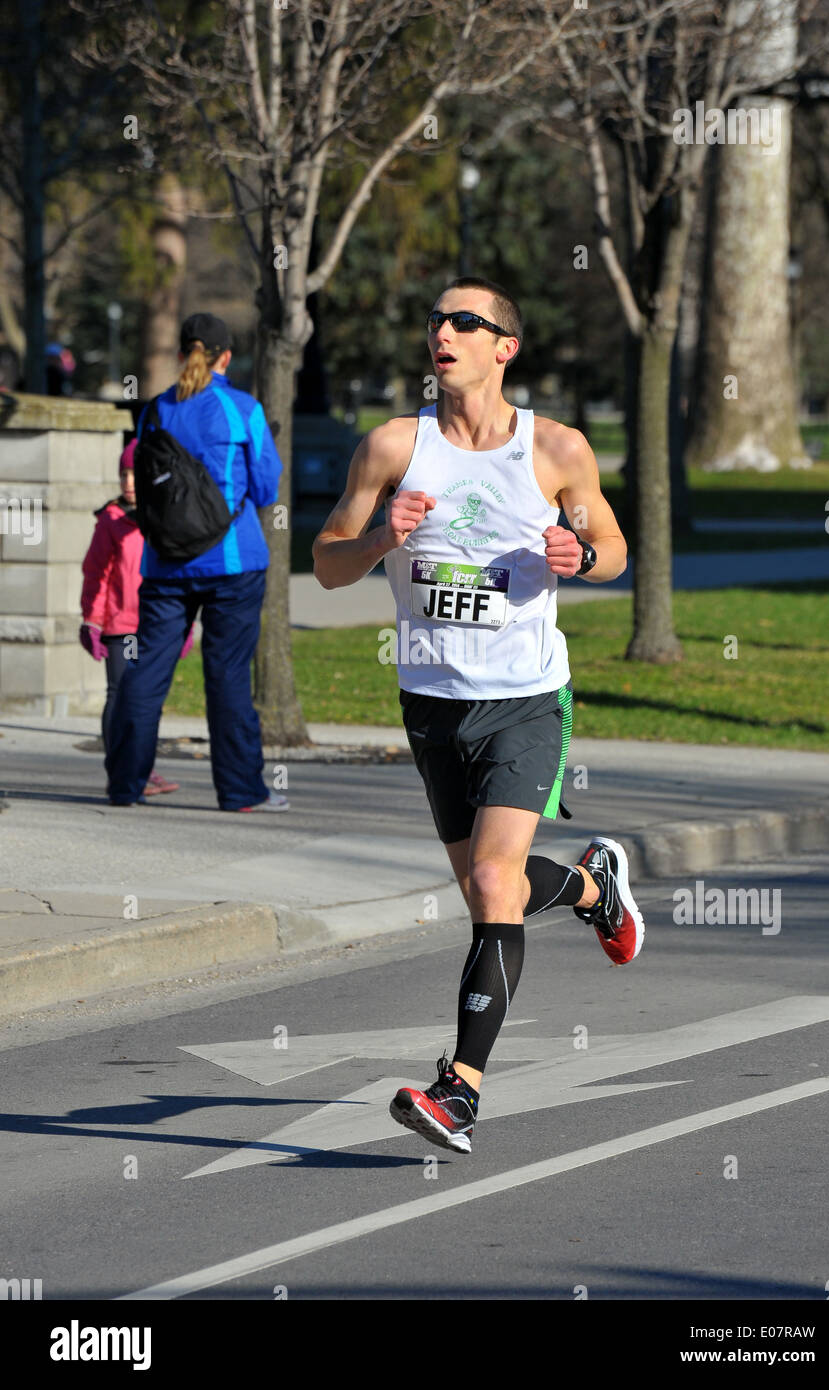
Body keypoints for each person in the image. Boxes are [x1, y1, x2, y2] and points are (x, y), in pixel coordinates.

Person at [313, 276, 645, 1155]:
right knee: (482, 889)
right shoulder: (391, 447)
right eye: (436, 319)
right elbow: (328, 566)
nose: (443, 332)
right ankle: (587, 886)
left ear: (505, 347)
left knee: (494, 886)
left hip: (525, 699)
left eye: (466, 321)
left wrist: (582, 554)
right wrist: (382, 536)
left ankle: (457, 1091)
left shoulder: (556, 450)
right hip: (430, 701)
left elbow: (612, 547)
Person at [105, 312, 287, 812]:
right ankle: (241, 793)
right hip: (233, 562)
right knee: (227, 676)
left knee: (144, 674)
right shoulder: (242, 408)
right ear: (225, 356)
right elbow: (266, 488)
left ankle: (125, 785)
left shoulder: (155, 411)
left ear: (184, 351)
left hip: (165, 564)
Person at [80, 438, 183, 797]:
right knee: (121, 695)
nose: (128, 482)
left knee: (146, 698)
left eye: (134, 474)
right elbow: (96, 575)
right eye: (123, 474)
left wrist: (182, 629)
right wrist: (91, 621)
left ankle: (143, 767)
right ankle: (120, 770)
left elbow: (178, 572)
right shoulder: (110, 520)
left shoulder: (166, 516)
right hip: (121, 629)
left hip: (155, 626)